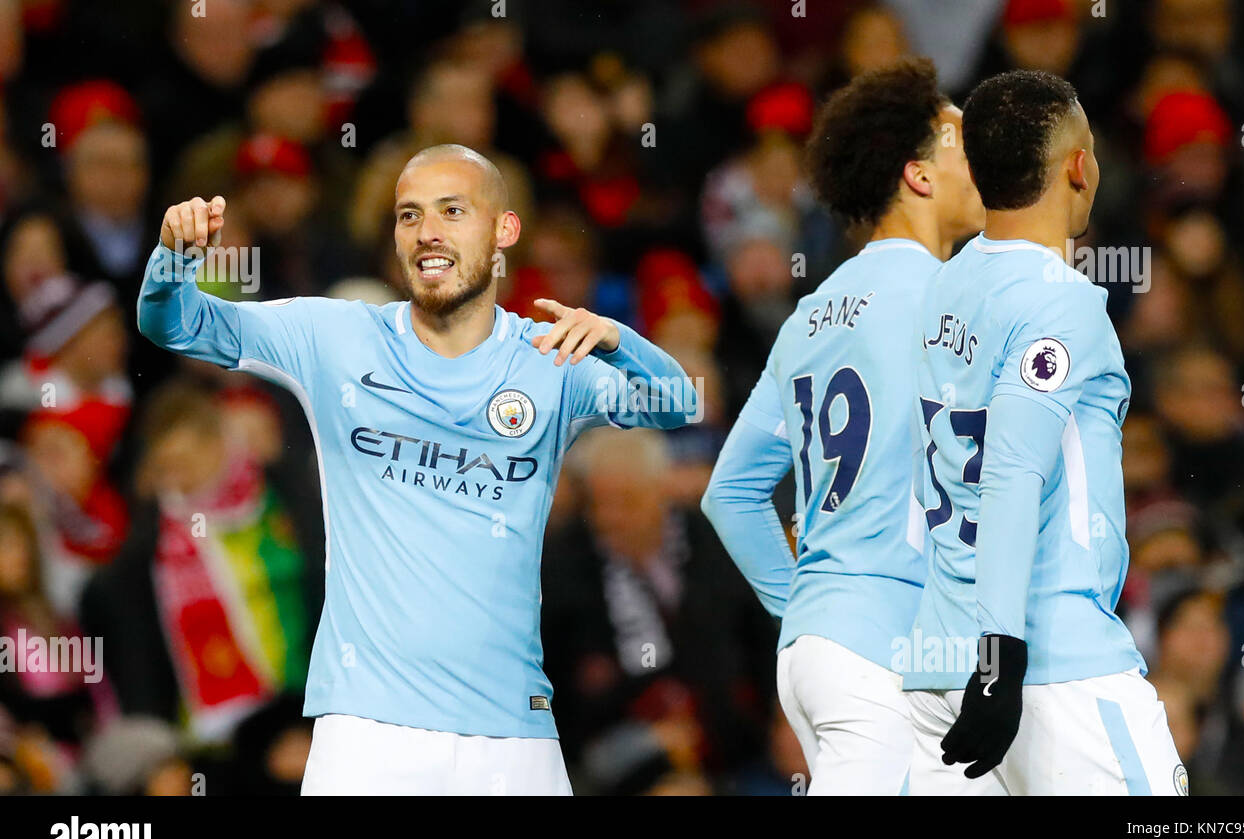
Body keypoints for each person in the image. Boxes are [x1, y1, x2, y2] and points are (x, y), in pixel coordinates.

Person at [136, 144, 697, 795]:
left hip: (512, 735)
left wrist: (617, 340)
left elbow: (675, 403)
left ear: (503, 230)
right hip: (366, 737)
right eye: (409, 215)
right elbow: (172, 324)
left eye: (452, 210)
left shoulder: (551, 361)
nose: (427, 231)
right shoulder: (334, 338)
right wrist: (174, 259)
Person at [701, 58, 984, 794]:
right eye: (961, 141)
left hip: (824, 648)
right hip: (889, 651)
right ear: (918, 175)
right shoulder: (952, 301)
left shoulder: (808, 315)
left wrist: (807, 605)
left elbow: (730, 494)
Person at [904, 70, 1183, 795]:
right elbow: (1011, 472)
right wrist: (1003, 661)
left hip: (938, 663)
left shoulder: (946, 284)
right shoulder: (1063, 304)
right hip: (1049, 665)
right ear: (1078, 167)